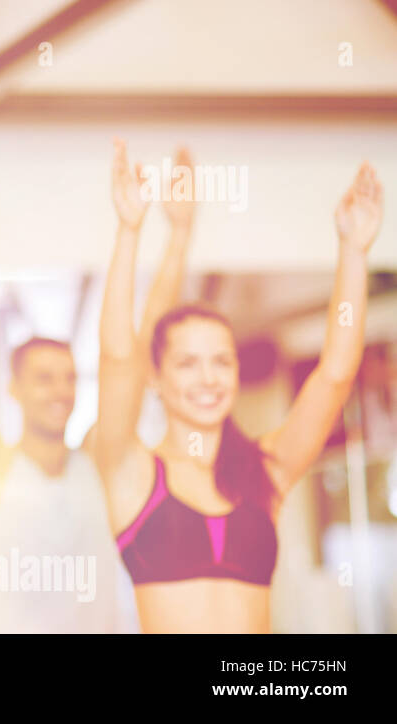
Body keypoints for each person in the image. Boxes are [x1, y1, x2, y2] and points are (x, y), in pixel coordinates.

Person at [94, 140, 383, 633]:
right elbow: (118, 358)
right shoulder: (129, 468)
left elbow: (334, 376)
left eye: (221, 361)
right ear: (157, 378)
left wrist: (353, 253)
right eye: (187, 363)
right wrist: (129, 232)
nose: (208, 378)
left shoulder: (265, 469)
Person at [0, 142, 194, 633]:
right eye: (44, 378)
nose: (61, 390)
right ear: (15, 389)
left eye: (68, 377)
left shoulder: (96, 463)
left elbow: (142, 344)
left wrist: (177, 233)